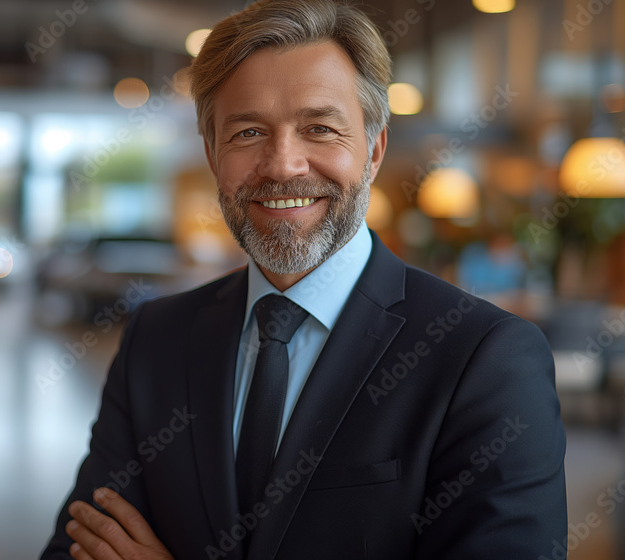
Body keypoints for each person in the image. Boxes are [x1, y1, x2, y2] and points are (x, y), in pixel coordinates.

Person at [41, 0, 567, 558]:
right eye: (247, 132)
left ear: (373, 150)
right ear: (213, 155)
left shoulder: (484, 358)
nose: (283, 164)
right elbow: (74, 548)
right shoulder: (156, 339)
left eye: (319, 128)